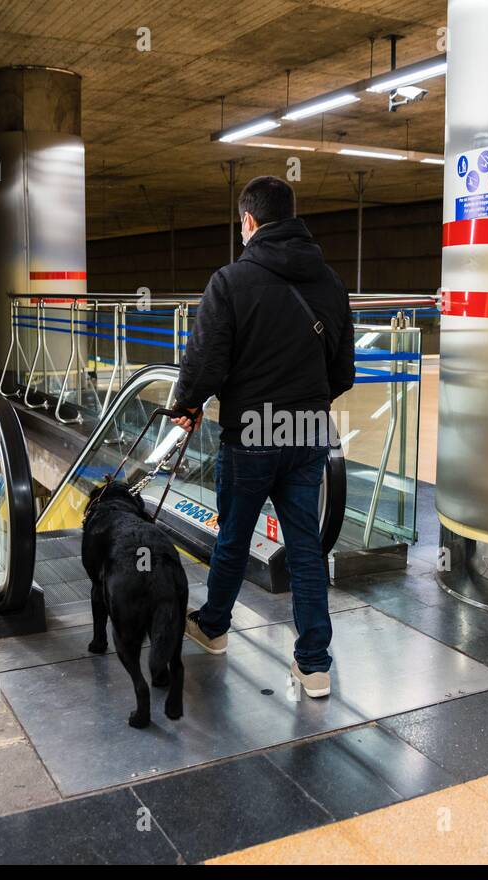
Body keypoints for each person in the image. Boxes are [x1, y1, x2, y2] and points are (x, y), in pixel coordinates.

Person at [170, 175, 355, 699]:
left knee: (233, 535)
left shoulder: (230, 282)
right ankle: (314, 664)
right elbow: (342, 373)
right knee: (304, 547)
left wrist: (187, 405)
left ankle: (213, 628)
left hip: (250, 431)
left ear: (248, 221)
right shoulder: (331, 283)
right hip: (308, 430)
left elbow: (205, 362)